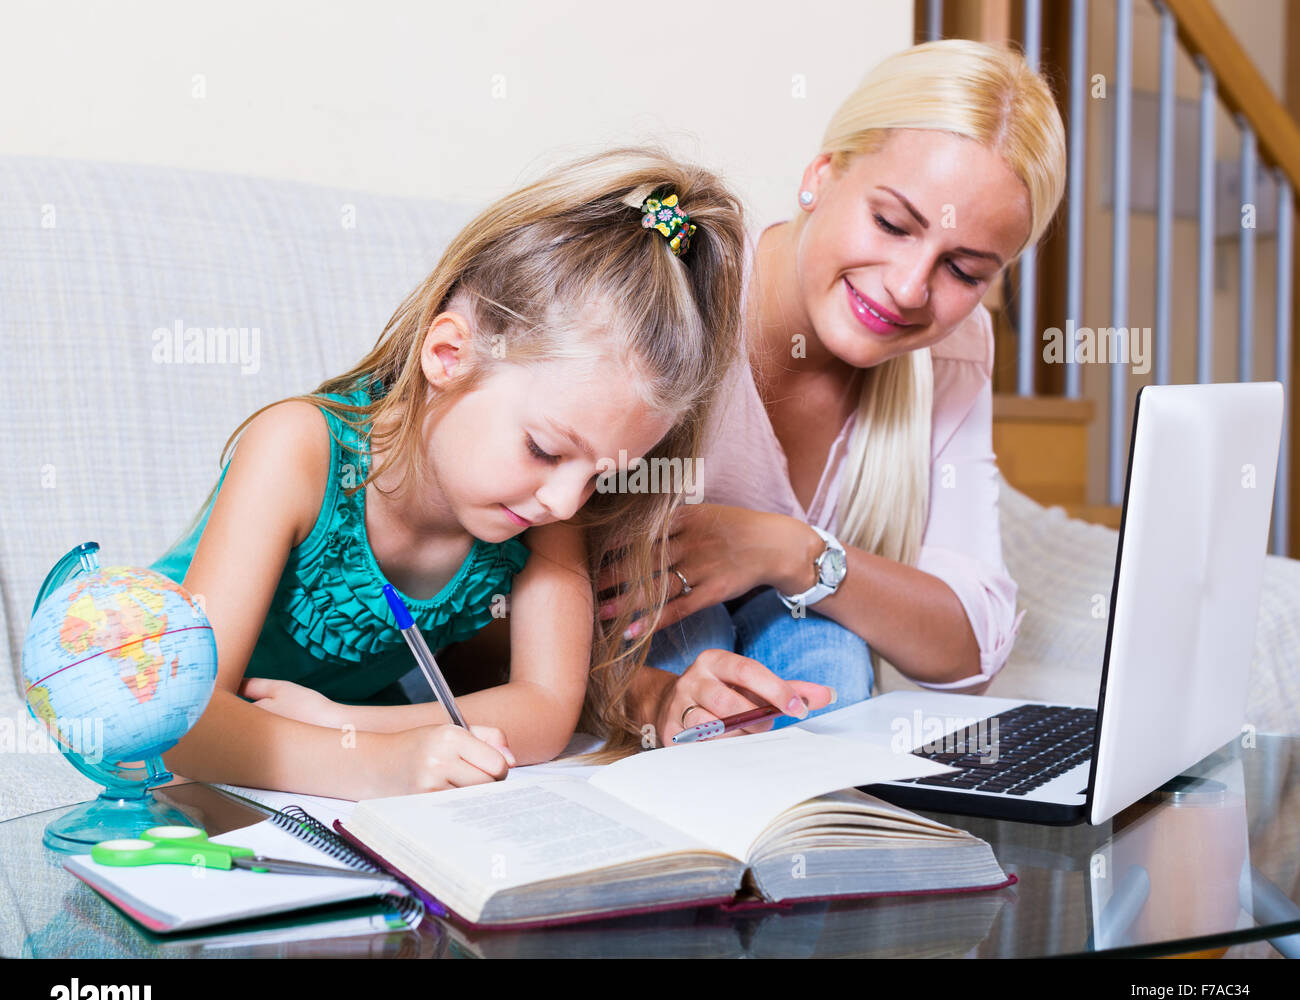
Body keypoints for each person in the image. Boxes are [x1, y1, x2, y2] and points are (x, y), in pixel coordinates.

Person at [150, 146, 748, 795]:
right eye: (545, 449)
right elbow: (183, 721)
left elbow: (546, 712)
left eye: (602, 476)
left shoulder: (538, 506)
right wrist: (378, 761)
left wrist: (351, 725)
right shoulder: (297, 450)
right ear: (448, 355)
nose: (568, 502)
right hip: (128, 682)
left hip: (299, 736)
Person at [596, 40, 1067, 747]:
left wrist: (791, 552)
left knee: (831, 655)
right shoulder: (680, 274)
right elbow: (519, 548)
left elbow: (972, 650)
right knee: (696, 636)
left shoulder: (954, 347)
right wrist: (647, 695)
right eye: (891, 223)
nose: (909, 288)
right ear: (822, 174)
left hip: (795, 655)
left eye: (964, 271)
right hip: (626, 637)